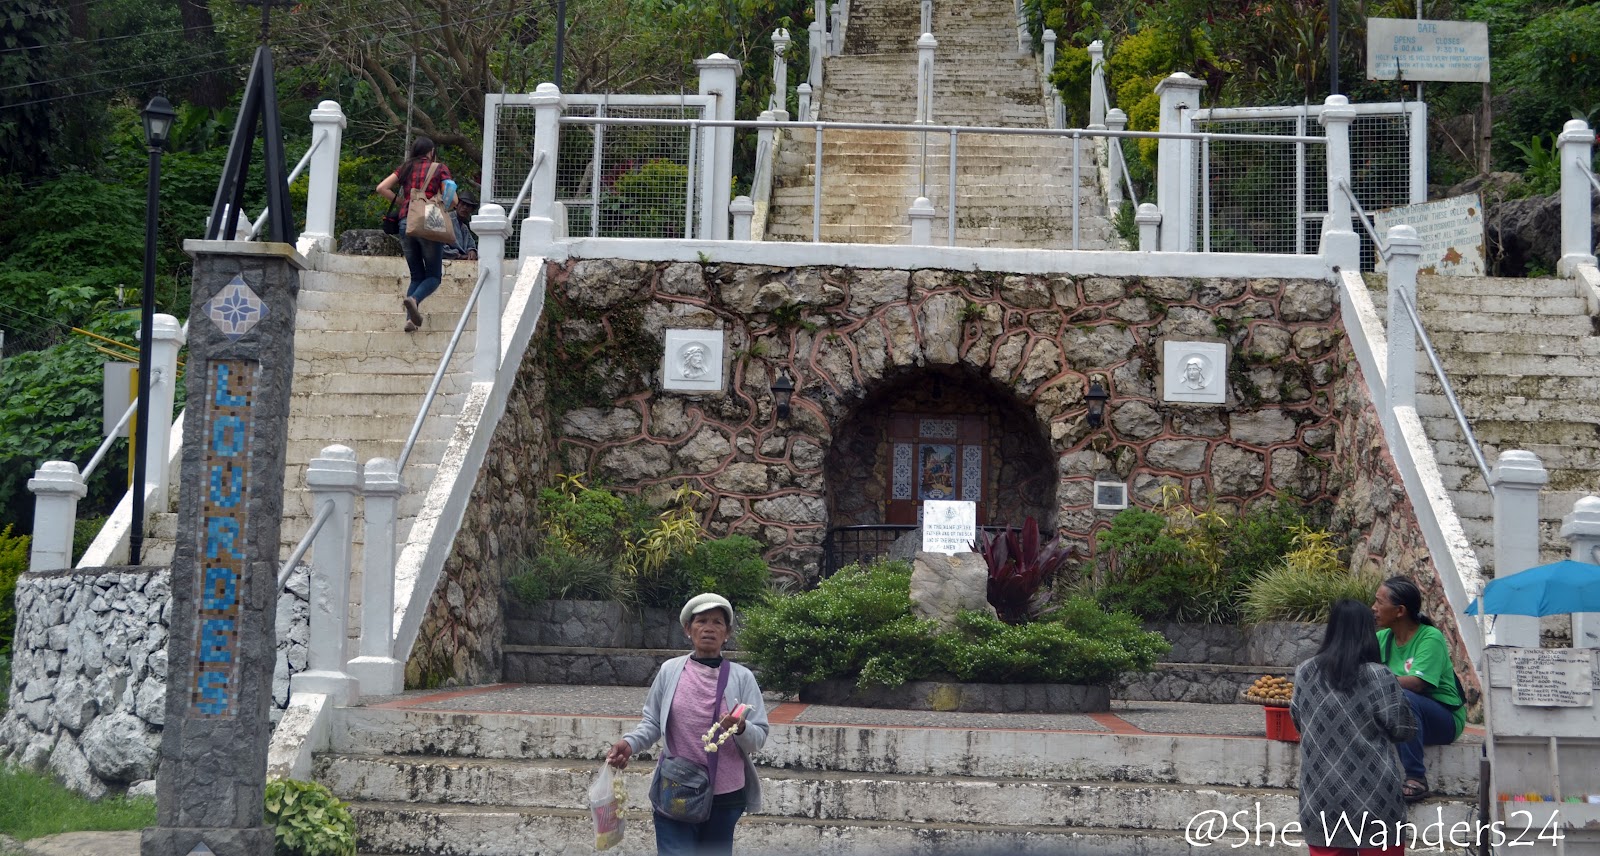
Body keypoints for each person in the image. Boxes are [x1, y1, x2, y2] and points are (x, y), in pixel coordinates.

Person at [606, 593, 768, 855]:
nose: (708, 628)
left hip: (725, 796)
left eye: (717, 622)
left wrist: (740, 728)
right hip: (677, 789)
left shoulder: (742, 678)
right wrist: (629, 743)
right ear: (688, 629)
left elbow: (759, 737)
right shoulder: (671, 671)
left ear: (727, 633)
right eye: (701, 621)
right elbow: (652, 722)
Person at [1291, 599, 1417, 856]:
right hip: (1376, 800)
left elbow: (1297, 720)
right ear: (1367, 633)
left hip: (1321, 799)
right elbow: (1404, 729)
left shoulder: (1305, 672)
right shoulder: (1380, 676)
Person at [1373, 576, 1465, 804]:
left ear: (1400, 611)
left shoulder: (1430, 637)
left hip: (1444, 718)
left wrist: (1373, 678)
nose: (1373, 608)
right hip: (1401, 715)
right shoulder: (1382, 638)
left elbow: (1416, 683)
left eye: (1379, 602)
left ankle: (1416, 777)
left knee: (1404, 696)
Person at [376, 137, 453, 332]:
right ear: (431, 151)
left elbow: (381, 188)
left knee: (417, 275)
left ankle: (411, 320)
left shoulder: (405, 168)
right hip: (429, 222)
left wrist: (404, 202)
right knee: (434, 276)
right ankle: (414, 299)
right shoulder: (439, 168)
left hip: (405, 222)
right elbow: (451, 197)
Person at [442, 193, 479, 261]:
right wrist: (458, 256)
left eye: (468, 206)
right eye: (463, 204)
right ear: (456, 205)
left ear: (471, 210)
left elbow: (471, 245)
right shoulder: (446, 220)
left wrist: (472, 251)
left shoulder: (464, 228)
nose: (465, 208)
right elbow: (440, 246)